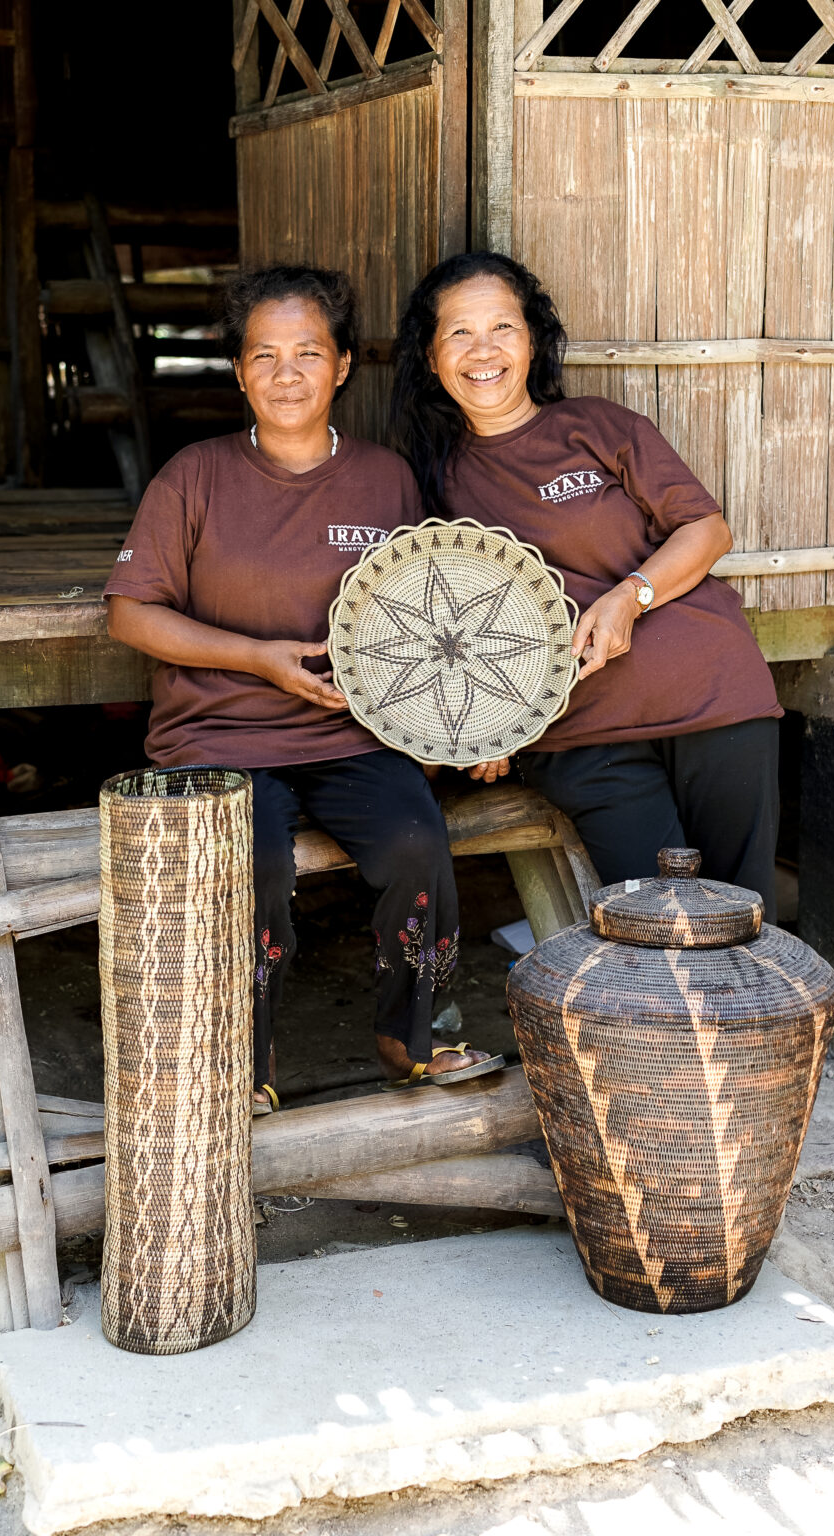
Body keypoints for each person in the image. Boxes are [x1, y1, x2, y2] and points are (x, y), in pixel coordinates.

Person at [105, 264, 503, 1111]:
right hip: (217, 735)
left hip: (349, 732)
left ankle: (410, 1033)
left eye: (309, 354)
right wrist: (260, 660)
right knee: (258, 862)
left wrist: (453, 730)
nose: (288, 375)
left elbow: (430, 611)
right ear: (239, 371)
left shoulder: (386, 479)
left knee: (415, 844)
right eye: (265, 356)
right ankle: (244, 1059)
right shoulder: (196, 476)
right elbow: (132, 615)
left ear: (345, 364)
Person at [390, 252, 781, 916]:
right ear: (430, 356)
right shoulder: (427, 482)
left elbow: (707, 530)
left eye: (503, 328)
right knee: (658, 927)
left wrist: (631, 595)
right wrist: (488, 730)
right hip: (580, 737)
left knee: (744, 917)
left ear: (533, 339)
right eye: (459, 332)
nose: (483, 350)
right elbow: (437, 639)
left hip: (712, 696)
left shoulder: (598, 427)